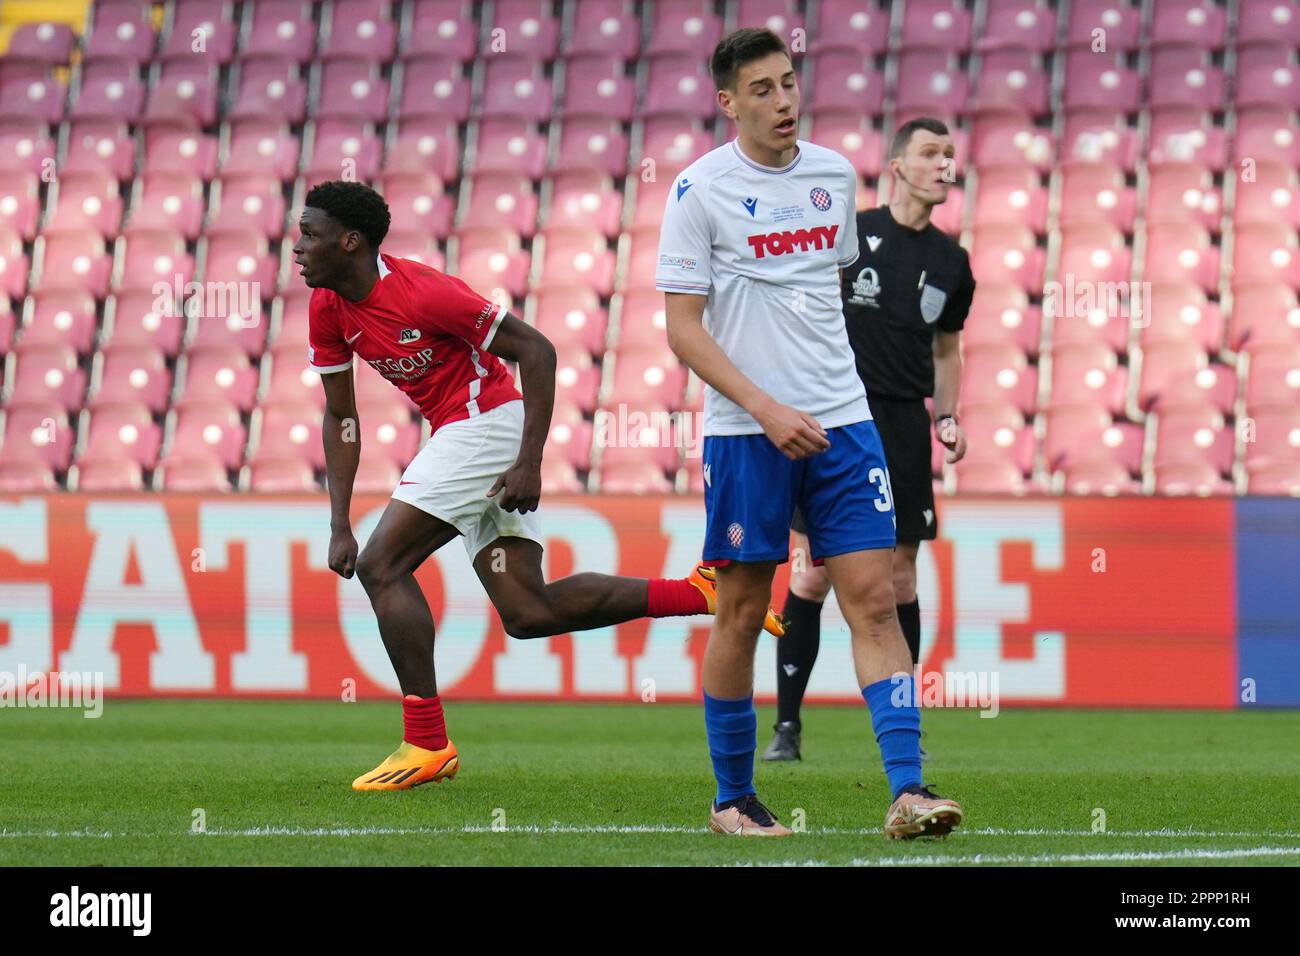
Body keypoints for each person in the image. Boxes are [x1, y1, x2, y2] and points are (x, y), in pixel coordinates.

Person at [295, 181, 782, 792]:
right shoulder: (327, 308)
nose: (299, 247)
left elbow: (538, 349)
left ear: (351, 241)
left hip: (489, 428)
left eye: (310, 234)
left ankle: (425, 740)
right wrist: (339, 521)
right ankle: (697, 591)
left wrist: (530, 459)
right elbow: (341, 416)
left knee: (382, 566)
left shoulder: (422, 292)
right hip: (464, 433)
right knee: (528, 611)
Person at [657, 30, 963, 838]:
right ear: (728, 102)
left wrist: (823, 397)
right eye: (761, 89)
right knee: (743, 608)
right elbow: (683, 331)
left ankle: (909, 789)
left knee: (875, 602)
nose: (785, 101)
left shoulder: (833, 176)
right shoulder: (697, 192)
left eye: (789, 83)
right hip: (746, 432)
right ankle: (733, 799)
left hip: (845, 424)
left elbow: (820, 299)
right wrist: (766, 407)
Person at [764, 117, 976, 763]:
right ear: (898, 166)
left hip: (906, 427)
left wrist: (948, 415)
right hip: (836, 420)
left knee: (902, 580)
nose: (944, 164)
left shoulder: (952, 261)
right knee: (811, 576)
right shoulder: (854, 234)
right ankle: (787, 727)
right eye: (931, 153)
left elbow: (948, 349)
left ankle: (903, 724)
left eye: (950, 155)